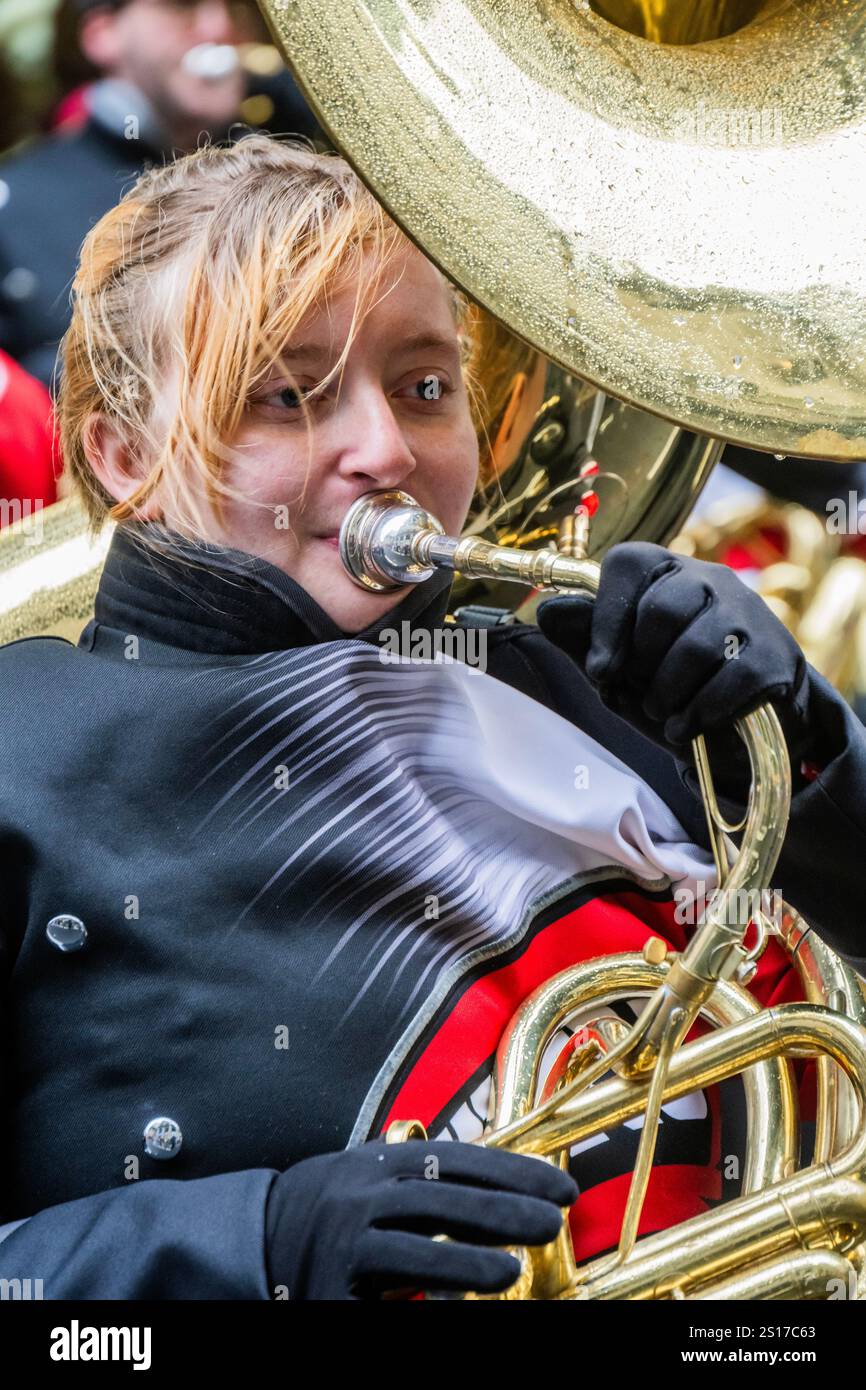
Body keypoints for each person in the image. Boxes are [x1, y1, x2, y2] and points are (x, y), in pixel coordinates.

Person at [0, 133, 863, 1301]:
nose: (389, 451)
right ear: (122, 453)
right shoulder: (24, 750)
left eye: (423, 387)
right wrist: (252, 1243)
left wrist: (801, 758)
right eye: (286, 396)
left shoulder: (573, 678)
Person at [0, 0, 320, 386]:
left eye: (235, 8)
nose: (218, 27)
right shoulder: (14, 202)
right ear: (101, 35)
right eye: (181, 6)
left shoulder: (293, 175)